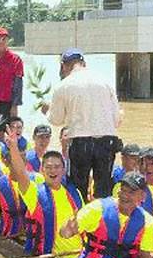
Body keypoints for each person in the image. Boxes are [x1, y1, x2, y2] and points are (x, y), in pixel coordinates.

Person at [60, 172, 153, 258]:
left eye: (131, 192)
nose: (124, 196)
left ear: (142, 196)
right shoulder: (97, 209)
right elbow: (65, 232)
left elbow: (148, 254)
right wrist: (67, 229)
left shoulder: (147, 220)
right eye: (123, 190)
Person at [42, 48, 121, 200]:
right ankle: (103, 220)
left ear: (64, 66)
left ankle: (79, 219)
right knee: (104, 190)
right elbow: (116, 119)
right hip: (106, 142)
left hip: (80, 143)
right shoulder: (104, 81)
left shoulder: (63, 85)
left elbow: (56, 120)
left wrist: (47, 111)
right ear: (84, 63)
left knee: (78, 190)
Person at [6, 126, 84, 258]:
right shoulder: (34, 193)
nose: (53, 171)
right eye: (48, 167)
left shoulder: (74, 193)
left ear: (63, 170)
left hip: (79, 256)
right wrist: (13, 148)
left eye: (57, 167)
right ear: (42, 170)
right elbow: (21, 174)